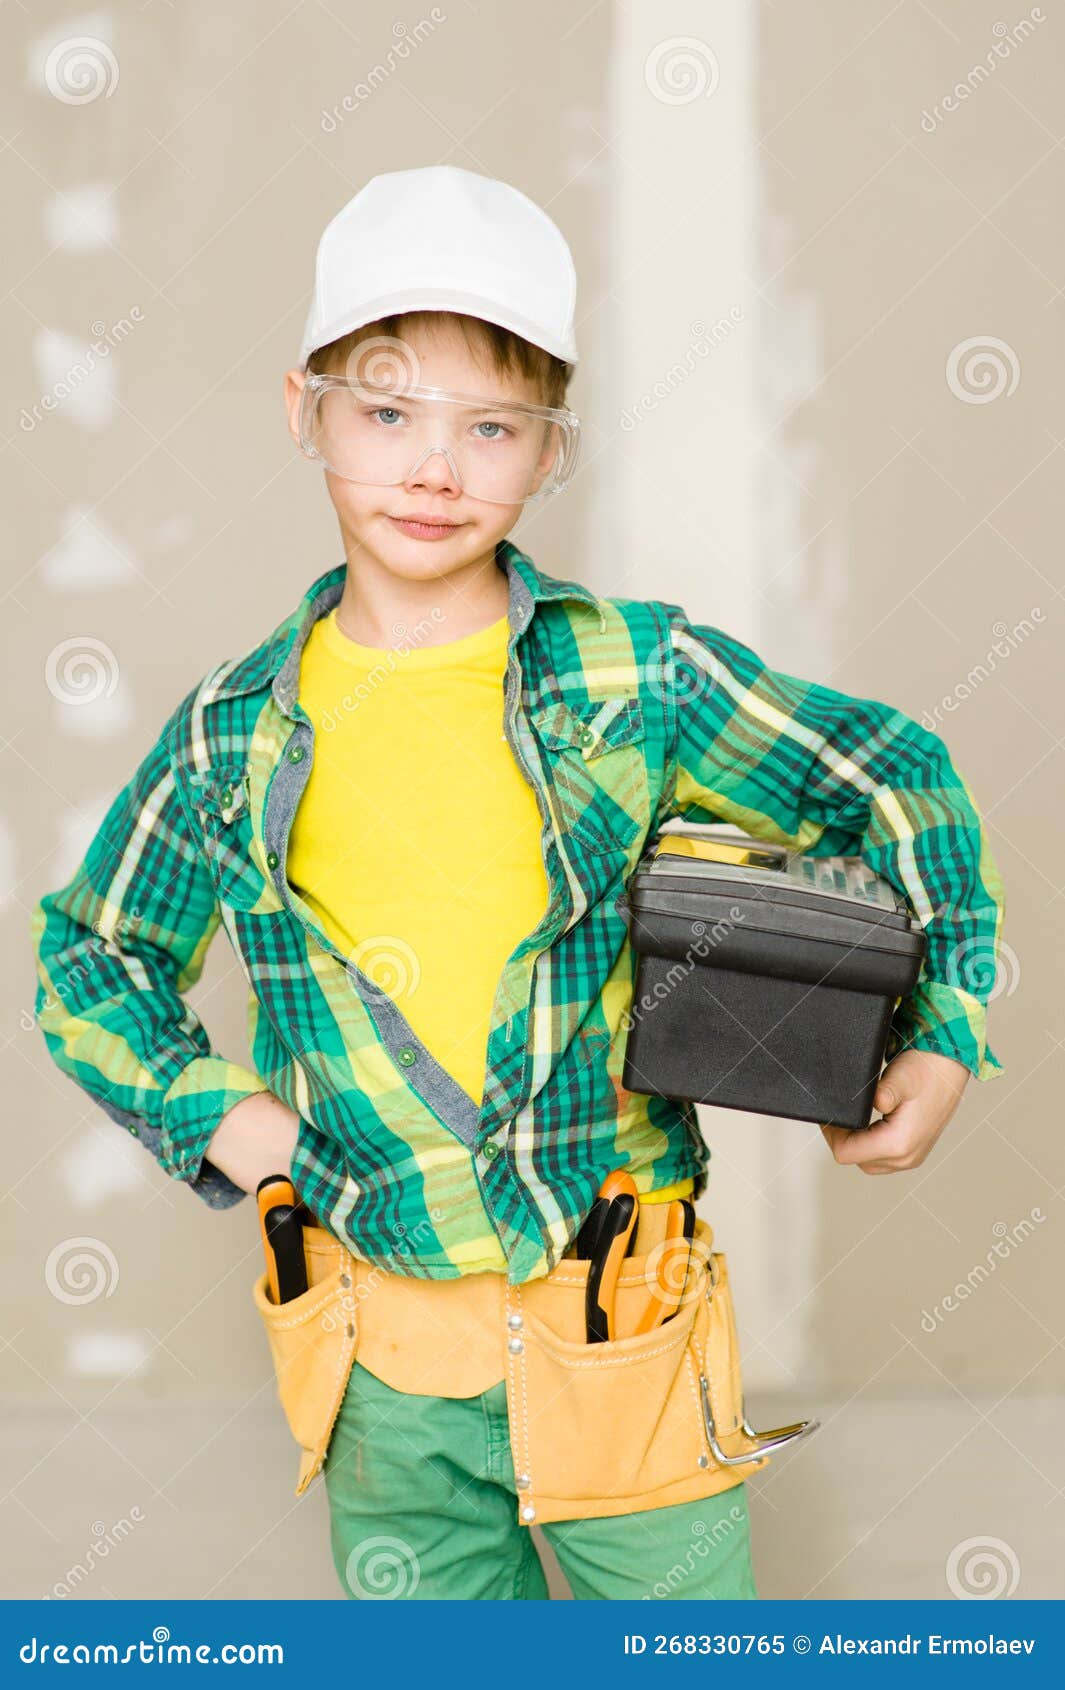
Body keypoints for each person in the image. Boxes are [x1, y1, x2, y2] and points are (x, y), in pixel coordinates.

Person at [31, 164, 1005, 1602]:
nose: (435, 467)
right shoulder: (232, 730)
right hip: (379, 1359)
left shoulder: (634, 677)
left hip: (621, 1321)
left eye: (490, 425)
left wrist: (940, 1022)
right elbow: (92, 954)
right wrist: (225, 1118)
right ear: (299, 409)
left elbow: (890, 775)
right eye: (385, 411)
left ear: (548, 453)